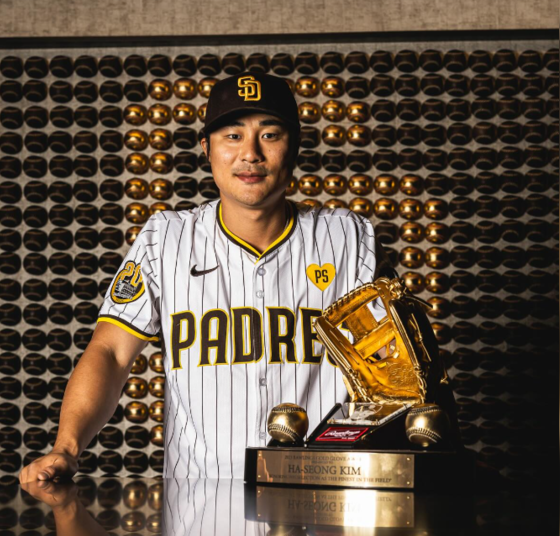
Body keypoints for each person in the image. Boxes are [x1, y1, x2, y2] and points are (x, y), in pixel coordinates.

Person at [20, 71, 382, 482]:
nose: (250, 154)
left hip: (324, 497)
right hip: (200, 502)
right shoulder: (164, 238)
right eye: (232, 135)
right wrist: (66, 448)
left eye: (269, 134)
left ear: (294, 146)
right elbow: (111, 353)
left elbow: (389, 368)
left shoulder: (348, 237)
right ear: (207, 148)